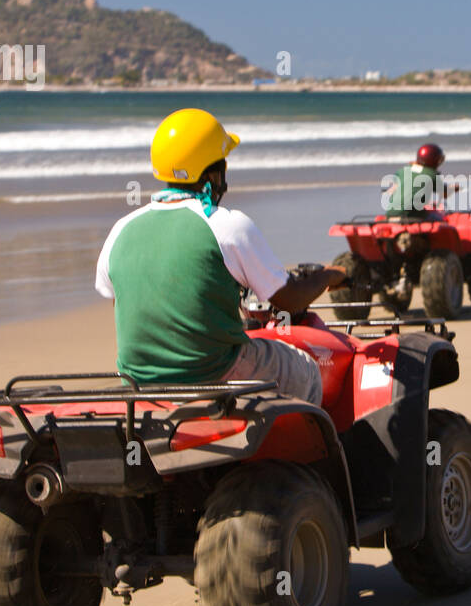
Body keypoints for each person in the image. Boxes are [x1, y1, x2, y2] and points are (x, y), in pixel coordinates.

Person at [94, 109, 346, 405]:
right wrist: (329, 276)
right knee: (304, 369)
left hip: (137, 380)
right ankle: (309, 450)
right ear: (212, 175)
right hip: (213, 372)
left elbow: (124, 303)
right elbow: (291, 300)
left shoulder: (121, 230)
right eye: (223, 167)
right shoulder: (226, 224)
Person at [382, 142, 448, 215]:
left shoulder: (402, 171)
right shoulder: (431, 174)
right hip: (412, 216)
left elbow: (392, 190)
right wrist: (455, 187)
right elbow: (445, 194)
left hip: (390, 214)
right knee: (440, 215)